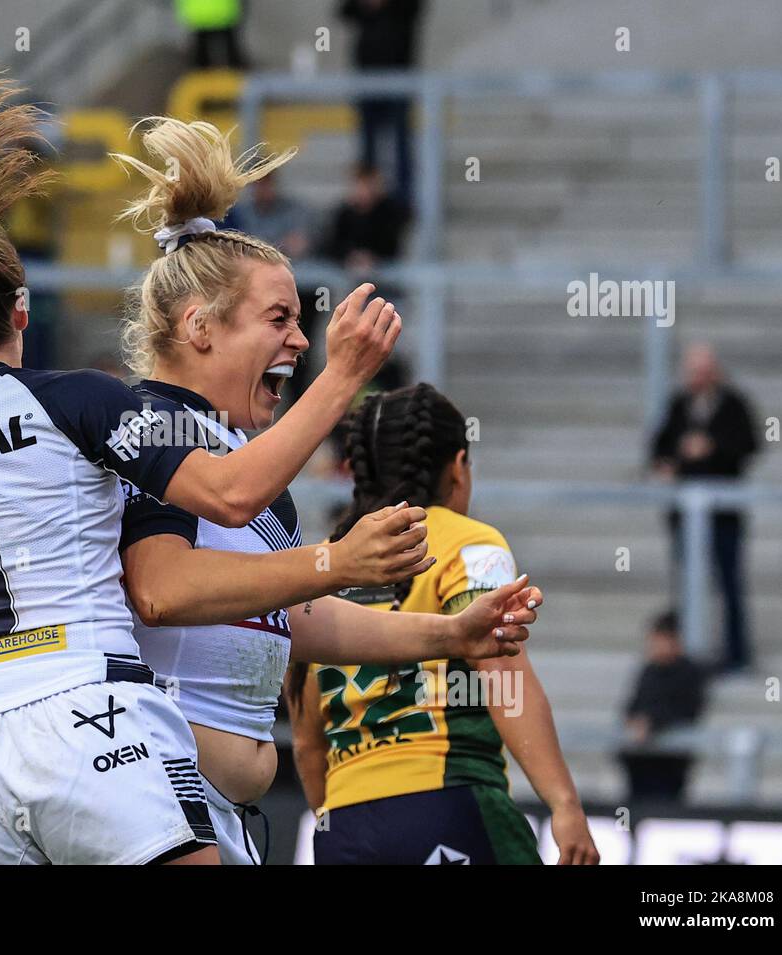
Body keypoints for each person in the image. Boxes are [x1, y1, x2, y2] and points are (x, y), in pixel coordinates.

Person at [0, 49, 399, 865]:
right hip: (79, 709)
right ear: (21, 309)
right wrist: (345, 379)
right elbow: (224, 497)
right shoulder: (79, 400)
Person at [110, 119, 546, 863]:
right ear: (201, 327)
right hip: (144, 786)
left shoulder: (247, 470)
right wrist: (343, 388)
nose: (301, 341)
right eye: (279, 318)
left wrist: (451, 635)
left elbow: (298, 615)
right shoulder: (148, 428)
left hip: (217, 809)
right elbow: (163, 590)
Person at [287, 384, 599, 865]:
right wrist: (564, 802)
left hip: (343, 827)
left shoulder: (323, 564)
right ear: (457, 467)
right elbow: (503, 674)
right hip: (450, 805)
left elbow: (307, 739)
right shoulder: (468, 542)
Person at [650, 342, 760, 672]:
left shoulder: (734, 406)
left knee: (729, 583)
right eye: (692, 371)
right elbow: (658, 446)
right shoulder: (680, 404)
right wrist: (668, 463)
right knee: (687, 583)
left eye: (702, 371)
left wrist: (711, 448)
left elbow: (750, 445)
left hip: (723, 513)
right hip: (686, 514)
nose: (696, 377)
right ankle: (685, 653)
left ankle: (737, 655)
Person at [338, 0, 424, 204]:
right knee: (368, 144)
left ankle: (404, 197)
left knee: (401, 143)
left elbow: (414, 9)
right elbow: (344, 11)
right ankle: (369, 196)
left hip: (399, 76)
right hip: (367, 78)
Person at [619, 611, 707, 803]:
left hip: (670, 766)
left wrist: (652, 724)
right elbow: (632, 705)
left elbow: (685, 710)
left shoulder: (689, 673)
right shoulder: (649, 671)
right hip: (640, 762)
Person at [322, 164, 410, 271]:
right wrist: (352, 256)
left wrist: (372, 257)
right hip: (348, 270)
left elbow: (391, 244)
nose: (363, 191)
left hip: (385, 271)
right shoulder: (344, 214)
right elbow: (333, 245)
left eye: (367, 185)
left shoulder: (389, 212)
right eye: (359, 185)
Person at [176, 0, 247, 69]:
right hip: (223, 12)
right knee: (231, 53)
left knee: (201, 56)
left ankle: (201, 72)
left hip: (199, 14)